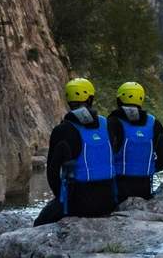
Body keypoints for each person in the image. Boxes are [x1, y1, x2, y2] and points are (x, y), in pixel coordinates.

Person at [34, 77, 124, 226]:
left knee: (39, 223)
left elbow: (52, 173)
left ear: (68, 100)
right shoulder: (108, 124)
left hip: (78, 205)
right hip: (109, 202)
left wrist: (61, 198)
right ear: (91, 98)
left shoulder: (62, 130)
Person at [109, 80, 163, 200]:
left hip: (118, 189)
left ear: (119, 100)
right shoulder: (154, 123)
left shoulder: (112, 122)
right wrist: (149, 168)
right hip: (144, 188)